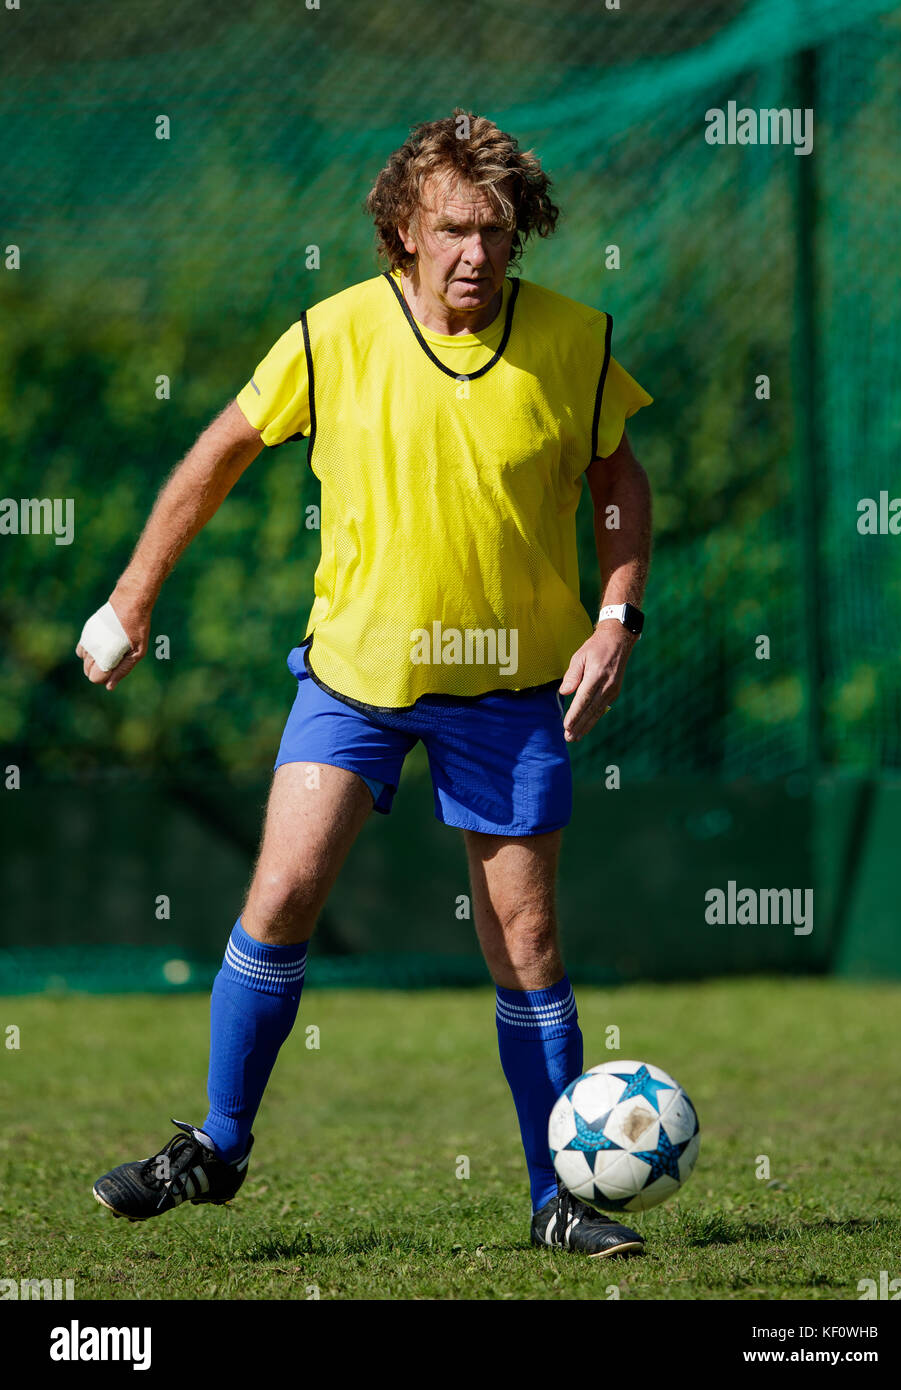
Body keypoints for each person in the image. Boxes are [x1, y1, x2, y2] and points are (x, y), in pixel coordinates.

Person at [79, 111, 654, 1258]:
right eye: (452, 229)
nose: (476, 255)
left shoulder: (573, 339)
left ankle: (559, 1197)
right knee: (283, 892)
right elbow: (218, 454)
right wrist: (133, 596)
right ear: (402, 229)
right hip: (356, 674)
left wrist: (616, 612)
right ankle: (219, 1145)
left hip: (510, 687)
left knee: (526, 943)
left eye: (496, 231)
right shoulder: (331, 332)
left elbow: (616, 482)